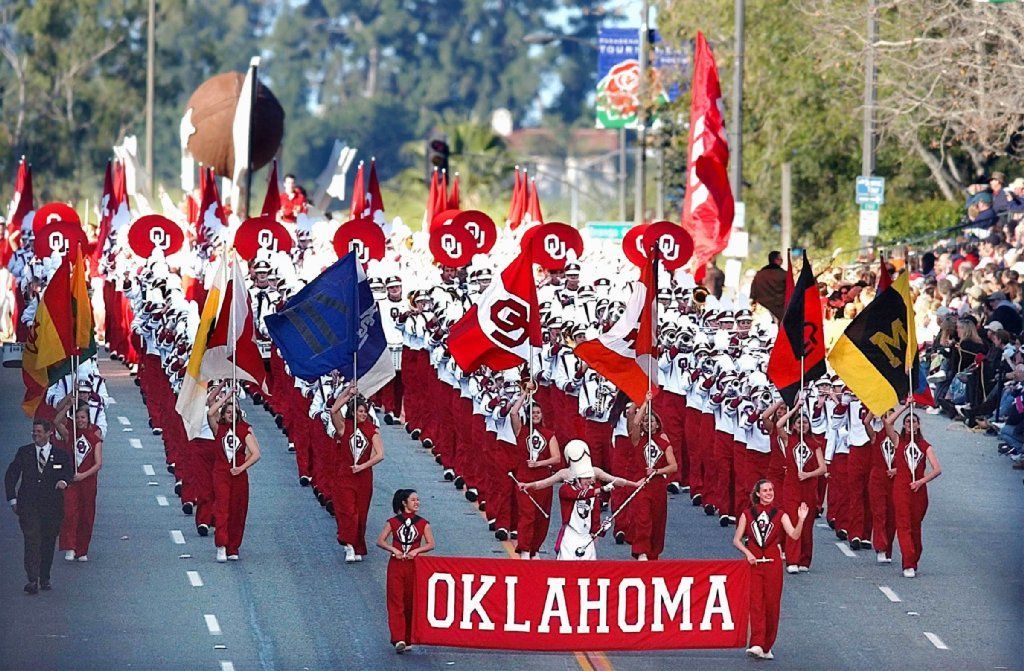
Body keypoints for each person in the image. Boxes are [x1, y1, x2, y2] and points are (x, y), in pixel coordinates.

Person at [519, 439, 637, 560]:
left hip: (586, 534)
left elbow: (615, 480)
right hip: (570, 533)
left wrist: (635, 484)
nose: (590, 481)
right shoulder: (565, 482)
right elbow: (544, 483)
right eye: (585, 478)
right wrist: (529, 485)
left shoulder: (594, 471)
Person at [733, 479, 809, 661]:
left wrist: (801, 520)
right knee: (756, 603)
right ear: (758, 494)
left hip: (773, 564)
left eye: (771, 490)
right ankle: (757, 643)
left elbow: (794, 535)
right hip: (754, 564)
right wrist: (747, 552)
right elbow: (736, 540)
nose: (769, 493)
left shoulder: (780, 514)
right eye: (765, 490)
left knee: (772, 605)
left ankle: (767, 645)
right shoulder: (747, 513)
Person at [5, 420, 73, 594]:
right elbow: (11, 475)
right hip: (29, 505)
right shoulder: (24, 452)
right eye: (34, 432)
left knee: (47, 541)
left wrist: (64, 481)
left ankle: (45, 577)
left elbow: (68, 471)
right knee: (32, 540)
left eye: (39, 431)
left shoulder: (60, 455)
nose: (35, 434)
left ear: (49, 433)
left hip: (51, 507)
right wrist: (12, 499)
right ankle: (32, 579)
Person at [883, 407, 942, 578]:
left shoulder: (925, 446)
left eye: (913, 421)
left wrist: (921, 481)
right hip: (901, 489)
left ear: (918, 425)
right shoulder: (898, 441)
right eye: (907, 421)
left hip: (918, 490)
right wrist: (905, 406)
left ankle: (914, 558)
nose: (910, 424)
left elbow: (937, 469)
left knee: (915, 527)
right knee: (903, 525)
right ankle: (907, 562)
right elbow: (887, 422)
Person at [207, 384, 261, 563]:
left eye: (234, 411)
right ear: (223, 414)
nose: (231, 414)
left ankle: (233, 546)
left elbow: (256, 454)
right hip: (221, 473)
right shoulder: (218, 428)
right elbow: (210, 411)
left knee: (238, 511)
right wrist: (226, 394)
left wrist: (241, 468)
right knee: (222, 508)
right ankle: (221, 545)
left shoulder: (245, 429)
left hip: (239, 475)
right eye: (228, 412)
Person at [330, 383, 384, 563]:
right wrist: (347, 393)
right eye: (359, 411)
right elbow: (333, 411)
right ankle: (349, 545)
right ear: (353, 412)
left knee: (361, 513)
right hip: (344, 475)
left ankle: (358, 544)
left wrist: (363, 466)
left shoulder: (372, 430)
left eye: (365, 412)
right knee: (348, 511)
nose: (362, 414)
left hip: (363, 477)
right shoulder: (344, 428)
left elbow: (380, 455)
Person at [377, 488, 434, 654]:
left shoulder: (423, 523)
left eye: (418, 500)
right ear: (404, 503)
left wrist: (416, 551)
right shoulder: (393, 522)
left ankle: (408, 638)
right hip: (396, 565)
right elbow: (380, 540)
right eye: (413, 500)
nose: (417, 503)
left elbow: (431, 543)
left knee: (410, 602)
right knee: (396, 602)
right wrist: (393, 549)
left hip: (414, 566)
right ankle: (398, 638)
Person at [509, 387, 561, 559]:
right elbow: (513, 413)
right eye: (533, 412)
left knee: (541, 517)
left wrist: (539, 463)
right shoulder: (521, 431)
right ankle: (524, 549)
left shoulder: (549, 434)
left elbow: (556, 458)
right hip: (524, 480)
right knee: (527, 515)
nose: (536, 415)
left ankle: (535, 549)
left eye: (539, 412)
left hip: (543, 481)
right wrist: (525, 393)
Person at [626, 392, 678, 560]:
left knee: (657, 518)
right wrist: (644, 403)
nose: (648, 423)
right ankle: (641, 550)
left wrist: (657, 471)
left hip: (657, 485)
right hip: (641, 483)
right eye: (646, 421)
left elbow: (673, 466)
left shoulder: (664, 441)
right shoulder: (637, 440)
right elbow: (634, 422)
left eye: (652, 421)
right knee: (643, 517)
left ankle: (653, 553)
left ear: (657, 424)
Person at [776, 406, 827, 573]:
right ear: (794, 425)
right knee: (792, 520)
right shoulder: (788, 439)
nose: (802, 425)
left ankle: (805, 559)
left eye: (805, 422)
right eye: (799, 422)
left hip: (808, 488)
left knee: (806, 524)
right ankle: (792, 559)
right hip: (791, 488)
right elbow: (778, 425)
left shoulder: (815, 444)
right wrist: (796, 408)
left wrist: (808, 474)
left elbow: (823, 468)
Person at [53, 397, 103, 562]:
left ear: (88, 418)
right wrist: (68, 404)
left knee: (86, 515)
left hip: (88, 481)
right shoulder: (70, 434)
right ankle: (70, 546)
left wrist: (83, 475)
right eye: (78, 417)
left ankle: (82, 549)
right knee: (69, 512)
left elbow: (98, 464)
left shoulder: (95, 437)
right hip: (71, 480)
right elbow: (56, 421)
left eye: (83, 417)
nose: (80, 420)